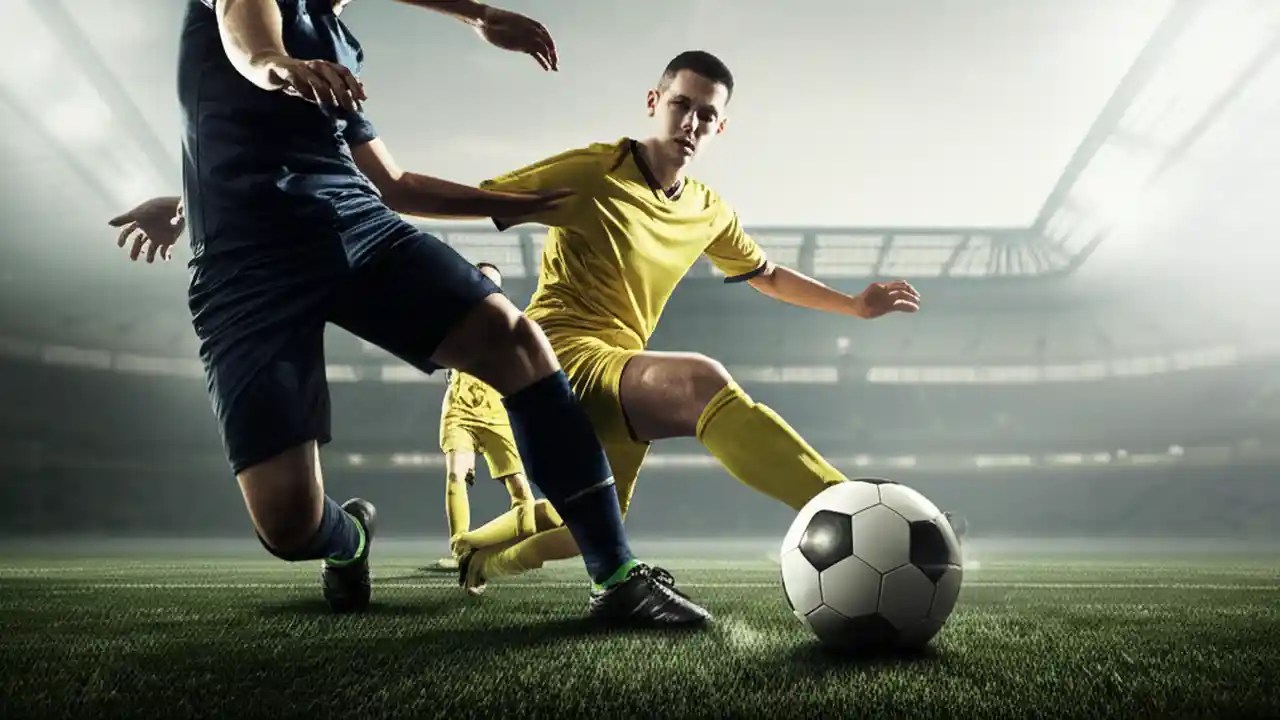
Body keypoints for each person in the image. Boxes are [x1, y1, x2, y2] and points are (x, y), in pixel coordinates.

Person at [106, 0, 710, 626]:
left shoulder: (339, 46)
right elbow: (251, 49)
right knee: (288, 525)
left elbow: (394, 185)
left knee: (516, 341)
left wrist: (520, 203)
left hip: (353, 224)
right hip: (244, 269)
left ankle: (617, 577)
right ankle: (350, 539)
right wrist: (278, 66)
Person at [456, 50, 922, 594]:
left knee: (583, 526)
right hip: (558, 352)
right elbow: (481, 199)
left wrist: (855, 306)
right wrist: (391, 205)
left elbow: (768, 274)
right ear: (654, 102)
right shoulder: (594, 172)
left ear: (719, 127)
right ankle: (856, 507)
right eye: (681, 105)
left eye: (706, 114)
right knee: (700, 382)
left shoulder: (707, 210)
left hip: (618, 360)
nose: (691, 123)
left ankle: (477, 558)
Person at [430, 263, 561, 572]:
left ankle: (519, 548)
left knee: (521, 491)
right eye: (482, 279)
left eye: (493, 283)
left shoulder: (511, 323)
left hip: (497, 413)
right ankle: (460, 551)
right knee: (455, 475)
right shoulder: (452, 318)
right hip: (459, 410)